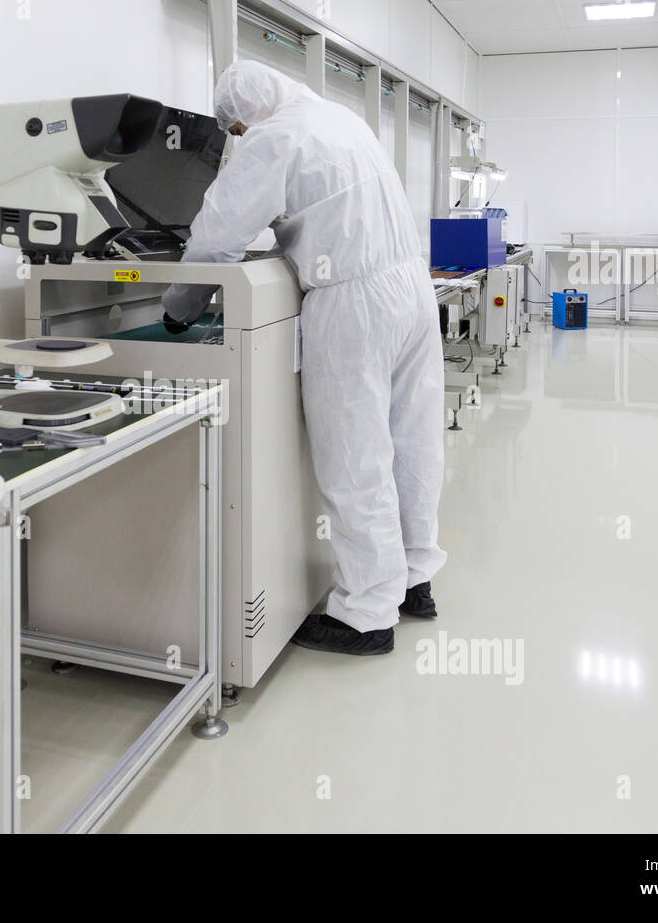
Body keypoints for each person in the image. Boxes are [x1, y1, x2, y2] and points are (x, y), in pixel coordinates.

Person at [163, 60, 446, 656]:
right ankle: (415, 580)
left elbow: (217, 236)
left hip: (354, 302)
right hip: (412, 290)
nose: (236, 139)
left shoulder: (273, 136)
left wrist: (179, 307)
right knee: (413, 439)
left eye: (234, 130)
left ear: (245, 116)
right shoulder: (342, 119)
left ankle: (367, 615)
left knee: (354, 456)